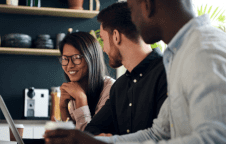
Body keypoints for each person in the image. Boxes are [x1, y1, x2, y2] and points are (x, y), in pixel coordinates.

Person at [44, 0, 226, 143]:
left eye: (132, 7)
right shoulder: (181, 55)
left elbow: (218, 140)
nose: (132, 20)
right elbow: (157, 134)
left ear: (147, 5)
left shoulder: (205, 51)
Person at [44, 1, 168, 141]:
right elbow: (90, 133)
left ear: (116, 36)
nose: (103, 49)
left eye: (102, 39)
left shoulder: (167, 73)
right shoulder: (120, 87)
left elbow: (164, 136)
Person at [58, 32, 115, 131]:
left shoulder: (112, 90)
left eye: (76, 58)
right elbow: (71, 137)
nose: (69, 65)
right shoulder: (77, 89)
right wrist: (63, 107)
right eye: (65, 59)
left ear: (91, 58)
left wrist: (81, 100)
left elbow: (89, 139)